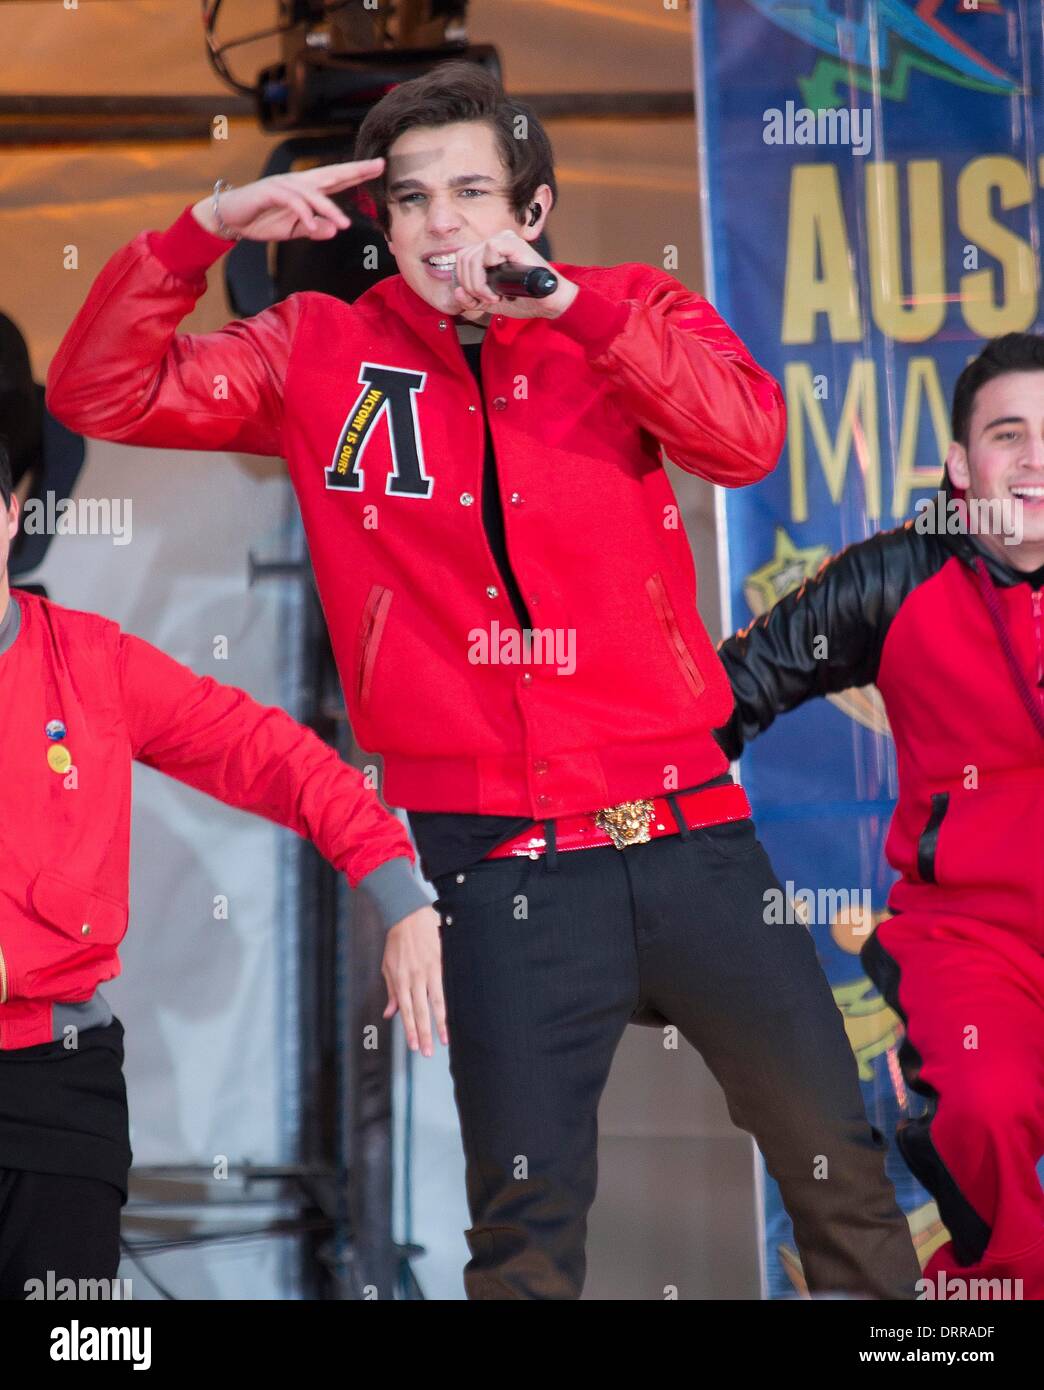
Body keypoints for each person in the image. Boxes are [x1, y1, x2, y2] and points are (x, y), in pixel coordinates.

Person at [44, 61, 919, 1299]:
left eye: (470, 191)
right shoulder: (318, 349)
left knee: (836, 1161)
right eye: (409, 199)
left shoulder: (628, 309)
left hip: (690, 830)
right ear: (381, 226)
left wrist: (575, 315)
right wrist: (202, 233)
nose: (441, 221)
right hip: (499, 851)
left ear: (535, 208)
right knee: (525, 1219)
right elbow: (101, 390)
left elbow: (747, 438)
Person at [0, 438, 434, 1300]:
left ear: (10, 514)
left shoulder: (91, 665)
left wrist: (397, 887)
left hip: (53, 1086)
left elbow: (275, 758)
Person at [716, 333, 1044, 1299]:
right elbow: (726, 695)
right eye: (1007, 435)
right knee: (982, 1113)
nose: (1034, 461)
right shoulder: (896, 575)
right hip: (971, 937)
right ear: (958, 466)